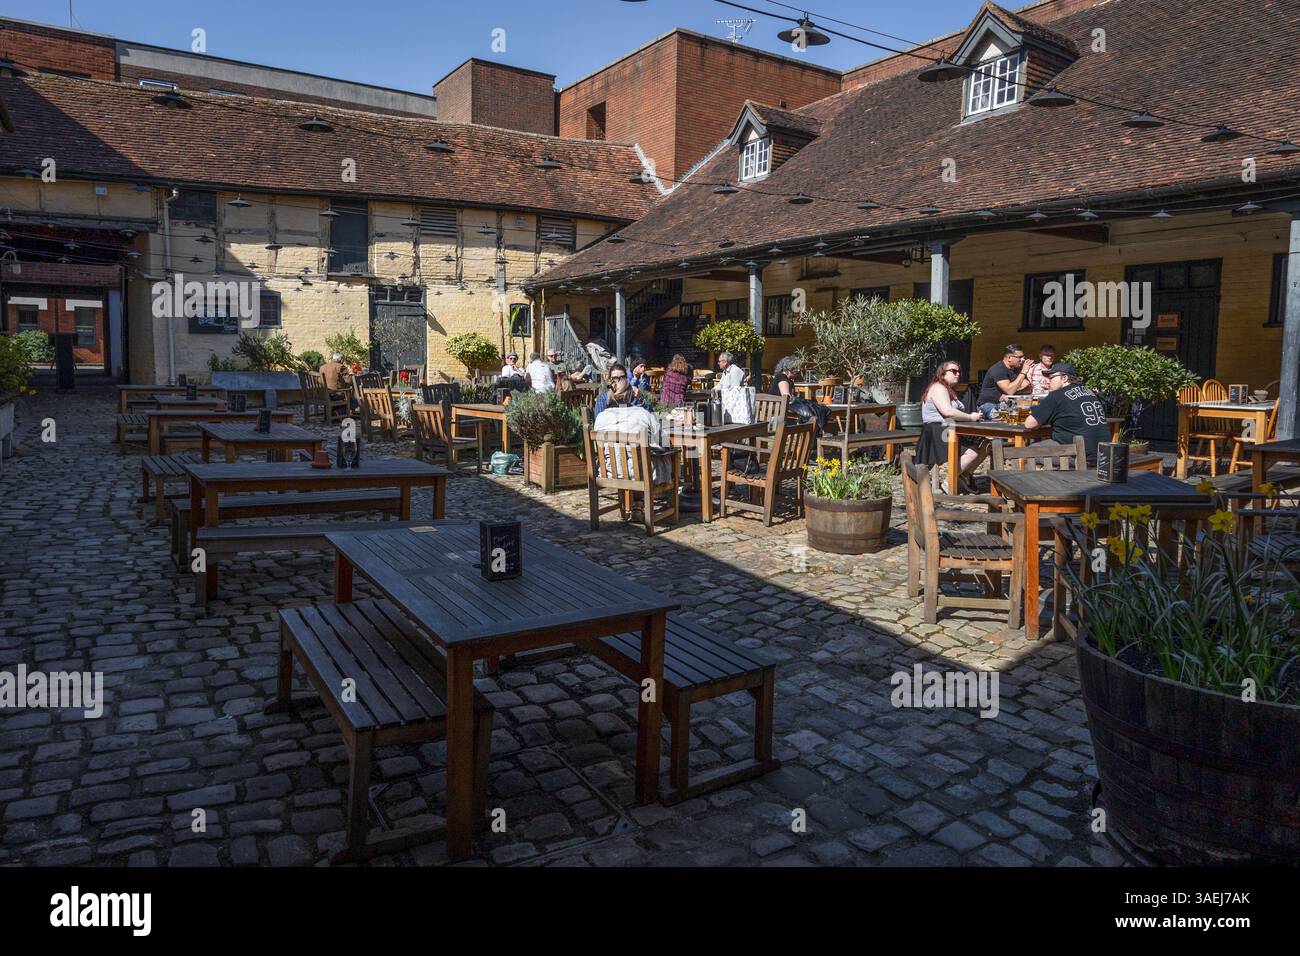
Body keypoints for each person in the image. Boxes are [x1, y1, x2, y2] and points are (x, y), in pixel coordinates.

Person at [916, 360, 985, 491]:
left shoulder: (948, 389)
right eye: (953, 371)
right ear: (942, 373)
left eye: (959, 371)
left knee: (986, 446)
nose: (957, 374)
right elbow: (947, 412)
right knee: (973, 452)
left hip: (950, 429)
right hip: (939, 431)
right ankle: (950, 479)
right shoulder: (938, 388)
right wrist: (970, 417)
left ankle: (964, 474)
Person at [593, 377, 672, 485]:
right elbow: (663, 441)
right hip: (641, 474)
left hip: (610, 472)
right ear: (630, 394)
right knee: (668, 454)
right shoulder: (642, 414)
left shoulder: (601, 417)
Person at [1023, 363, 1111, 459]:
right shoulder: (1090, 392)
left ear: (1064, 378)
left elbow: (1029, 424)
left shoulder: (1056, 395)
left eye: (1051, 377)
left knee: (1028, 451)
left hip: (1080, 456)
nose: (1048, 381)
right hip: (1104, 454)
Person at [977, 343, 1035, 417]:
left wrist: (1011, 392)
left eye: (1023, 357)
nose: (1023, 360)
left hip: (1007, 404)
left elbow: (1028, 388)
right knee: (1003, 418)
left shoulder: (1016, 369)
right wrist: (1023, 372)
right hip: (989, 405)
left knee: (1031, 413)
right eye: (1019, 357)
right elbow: (1010, 390)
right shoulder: (998, 369)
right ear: (1009, 358)